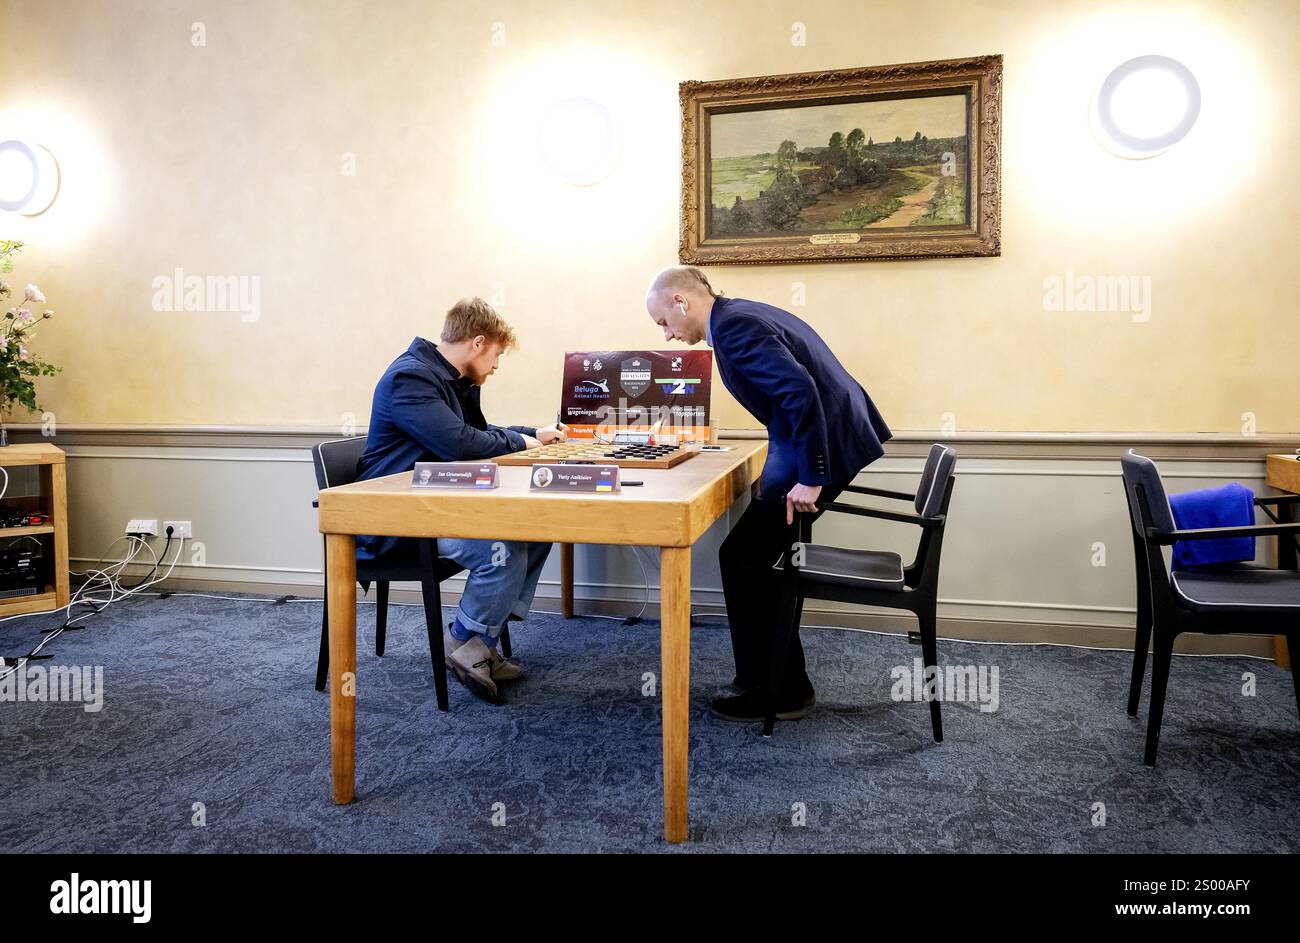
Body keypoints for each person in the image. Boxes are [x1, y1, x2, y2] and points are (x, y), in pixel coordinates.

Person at [645, 266, 892, 721]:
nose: (667, 336)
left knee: (744, 559)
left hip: (825, 449)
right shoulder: (738, 316)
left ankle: (779, 690)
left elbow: (800, 393)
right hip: (814, 442)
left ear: (680, 301)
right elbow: (789, 401)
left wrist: (813, 476)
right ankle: (768, 679)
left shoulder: (735, 327)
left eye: (663, 322)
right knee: (751, 559)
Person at [357, 297, 568, 703]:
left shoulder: (453, 380)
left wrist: (531, 434)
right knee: (501, 548)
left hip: (434, 506)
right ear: (477, 342)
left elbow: (478, 432)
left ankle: (478, 646)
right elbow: (457, 443)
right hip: (397, 519)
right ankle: (463, 643)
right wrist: (518, 441)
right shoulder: (411, 379)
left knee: (537, 531)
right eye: (496, 354)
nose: (496, 365)